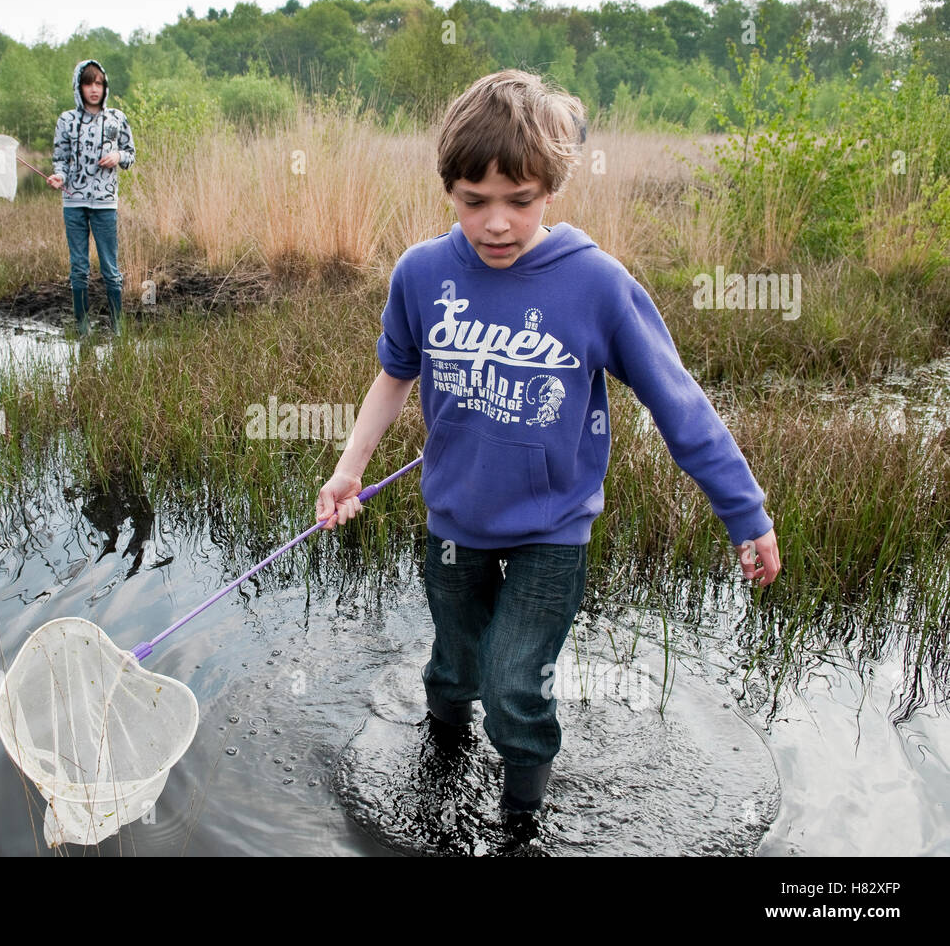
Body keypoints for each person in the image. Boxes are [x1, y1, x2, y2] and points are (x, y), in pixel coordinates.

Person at [315, 69, 781, 826]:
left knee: (513, 684)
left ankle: (520, 822)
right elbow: (395, 375)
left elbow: (678, 403)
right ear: (450, 191)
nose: (497, 221)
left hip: (551, 529)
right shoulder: (422, 275)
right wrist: (348, 471)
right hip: (455, 521)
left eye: (519, 200)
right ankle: (441, 763)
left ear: (552, 190)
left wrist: (746, 513)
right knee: (454, 668)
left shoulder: (595, 284)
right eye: (475, 201)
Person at [48, 59, 135, 336]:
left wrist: (118, 156)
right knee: (79, 269)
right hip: (73, 202)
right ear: (79, 87)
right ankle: (83, 327)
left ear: (105, 86)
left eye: (98, 83)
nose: (94, 89)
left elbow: (130, 155)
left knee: (110, 268)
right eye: (88, 83)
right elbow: (60, 159)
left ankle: (117, 325)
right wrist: (59, 177)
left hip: (105, 204)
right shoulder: (66, 120)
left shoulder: (117, 118)